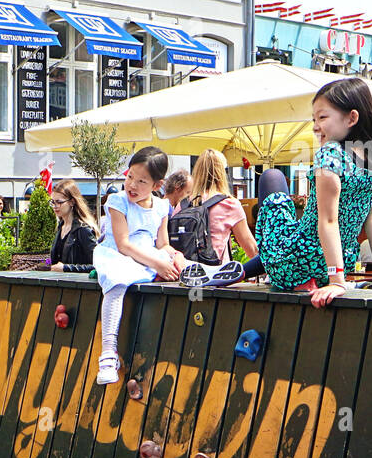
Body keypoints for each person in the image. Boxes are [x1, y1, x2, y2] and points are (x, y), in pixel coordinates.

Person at [251, 77, 372, 308]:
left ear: (352, 117)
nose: (314, 126)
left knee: (273, 182)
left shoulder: (330, 154)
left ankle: (239, 270)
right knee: (282, 228)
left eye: (322, 117)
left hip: (299, 259)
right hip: (340, 261)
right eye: (314, 119)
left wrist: (337, 281)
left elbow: (328, 221)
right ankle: (241, 270)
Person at [93, 147, 186, 385]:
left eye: (141, 181)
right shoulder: (117, 201)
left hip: (147, 258)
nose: (132, 184)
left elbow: (163, 244)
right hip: (118, 256)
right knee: (117, 281)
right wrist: (157, 262)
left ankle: (209, 274)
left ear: (157, 185)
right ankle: (108, 353)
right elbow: (123, 244)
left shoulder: (162, 207)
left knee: (181, 266)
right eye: (129, 176)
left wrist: (175, 256)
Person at [174, 148, 253, 284]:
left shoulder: (183, 205)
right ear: (223, 173)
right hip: (217, 279)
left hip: (184, 277)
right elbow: (251, 248)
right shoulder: (229, 204)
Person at [48, 178, 99, 273]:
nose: (55, 206)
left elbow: (98, 266)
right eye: (53, 202)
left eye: (59, 202)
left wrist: (66, 268)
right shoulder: (60, 227)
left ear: (72, 202)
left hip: (79, 285)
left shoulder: (83, 230)